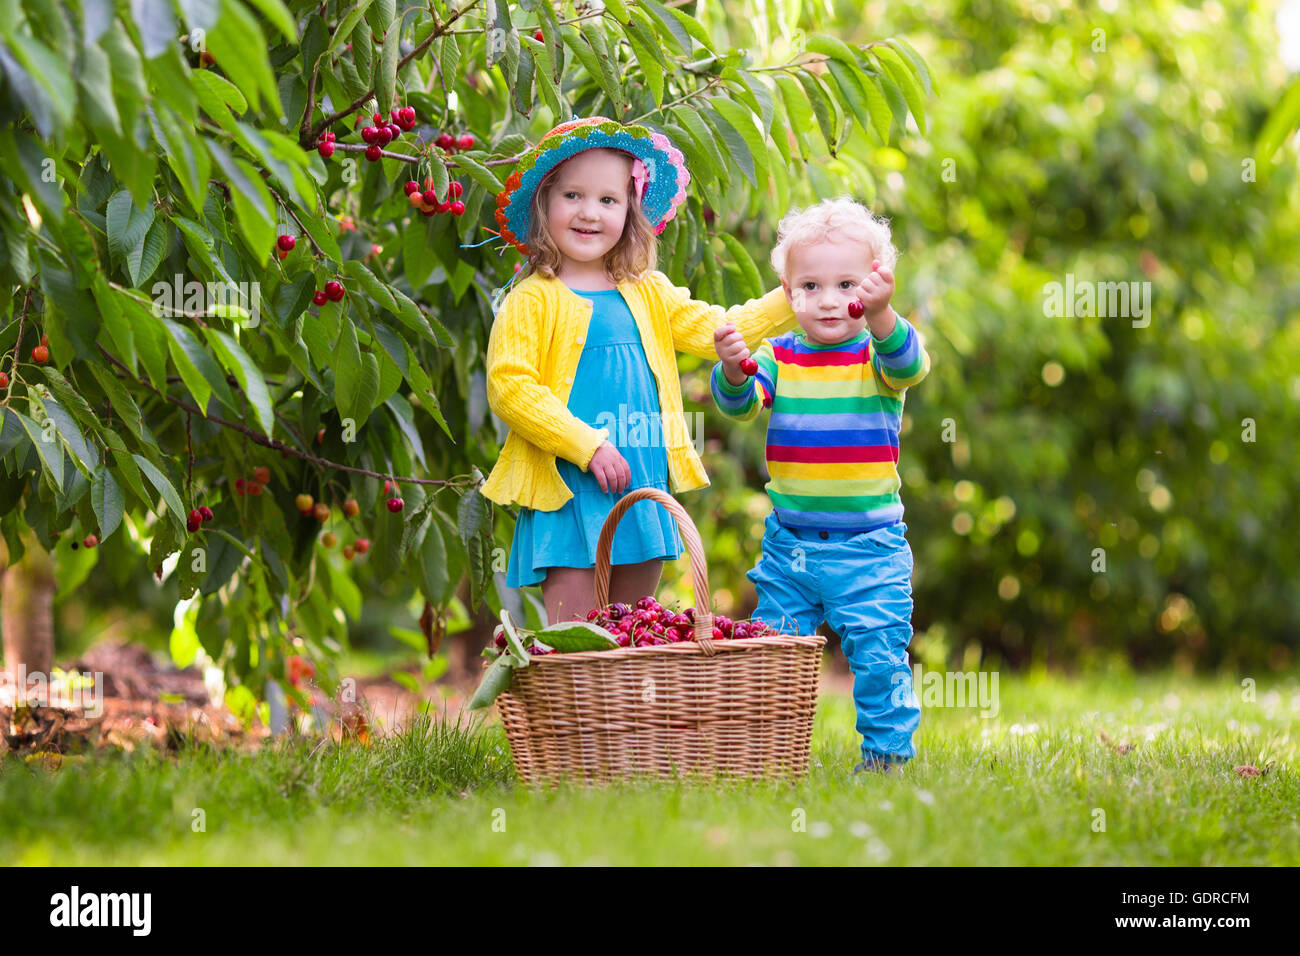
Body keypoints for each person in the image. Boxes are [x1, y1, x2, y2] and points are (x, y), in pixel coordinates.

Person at [482, 117, 801, 624]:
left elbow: (717, 328)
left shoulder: (646, 291)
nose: (590, 213)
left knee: (633, 638)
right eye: (572, 196)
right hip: (569, 488)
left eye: (608, 200)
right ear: (544, 203)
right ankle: (572, 708)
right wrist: (587, 446)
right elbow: (510, 388)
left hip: (638, 488)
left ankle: (629, 708)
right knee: (578, 643)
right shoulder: (532, 300)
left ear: (629, 211)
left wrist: (797, 295)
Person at [710, 197, 932, 775]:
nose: (829, 300)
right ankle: (767, 757)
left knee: (880, 658)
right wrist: (734, 370)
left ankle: (885, 759)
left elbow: (911, 365)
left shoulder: (876, 355)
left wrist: (883, 317)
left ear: (876, 286)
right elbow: (740, 405)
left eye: (847, 285)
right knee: (774, 656)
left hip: (871, 549)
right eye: (810, 286)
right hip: (791, 549)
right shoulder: (779, 355)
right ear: (788, 291)